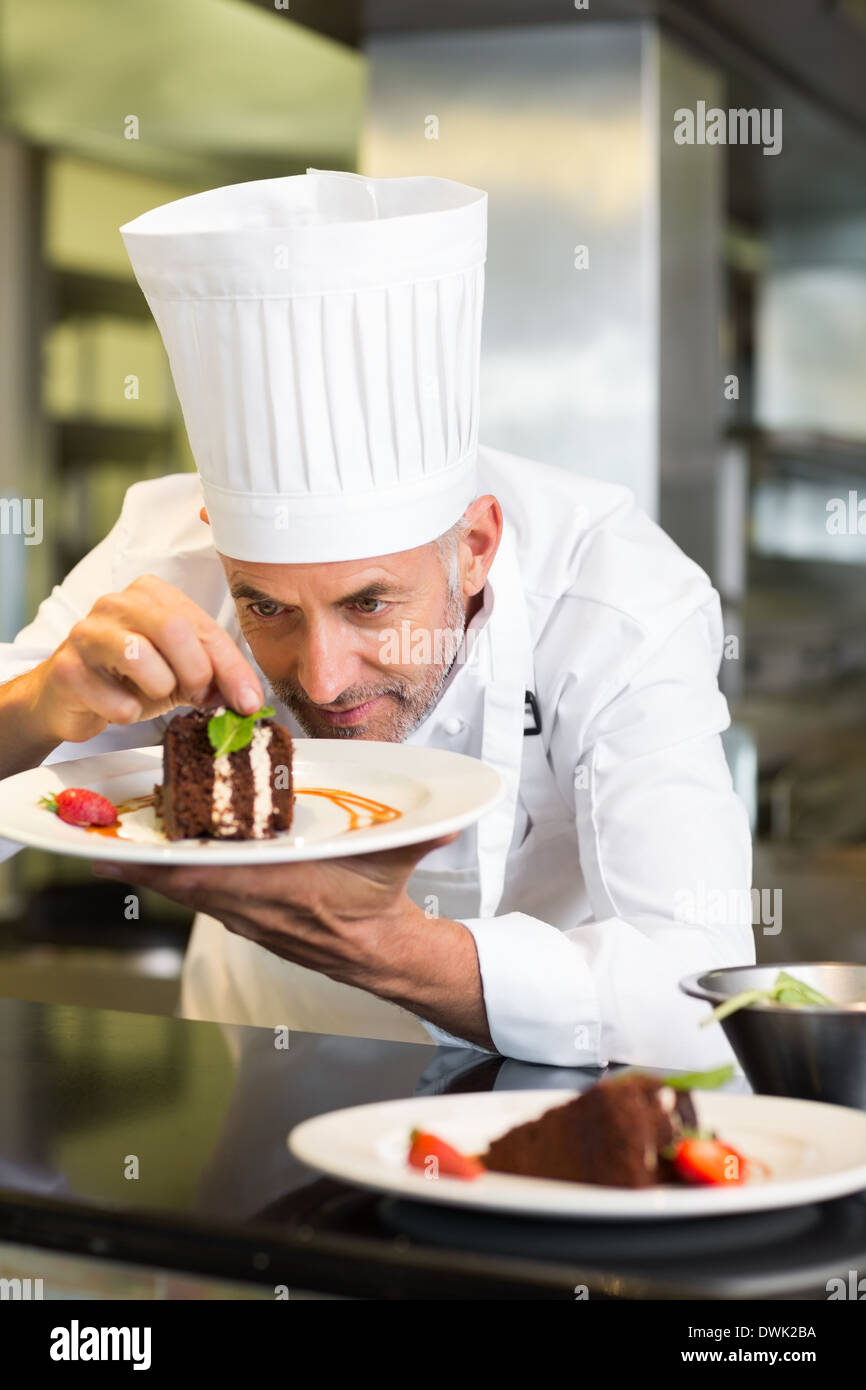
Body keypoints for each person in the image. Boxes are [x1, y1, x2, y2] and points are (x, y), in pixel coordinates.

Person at [0, 170, 753, 1068]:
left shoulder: (616, 604)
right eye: (266, 606)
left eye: (368, 603)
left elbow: (701, 996)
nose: (322, 679)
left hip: (543, 1094)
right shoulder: (164, 561)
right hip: (249, 1078)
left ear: (475, 545)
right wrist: (37, 708)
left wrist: (383, 948)